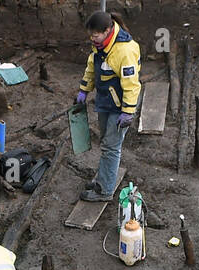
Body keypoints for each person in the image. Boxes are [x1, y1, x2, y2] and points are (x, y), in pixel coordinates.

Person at [75, 10, 141, 202]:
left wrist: (128, 112)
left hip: (119, 107)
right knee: (106, 143)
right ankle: (103, 180)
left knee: (111, 147)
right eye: (91, 35)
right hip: (105, 101)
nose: (92, 39)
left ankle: (104, 191)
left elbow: (131, 85)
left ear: (107, 31)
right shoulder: (101, 44)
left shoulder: (124, 50)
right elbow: (91, 67)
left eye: (95, 35)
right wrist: (84, 89)